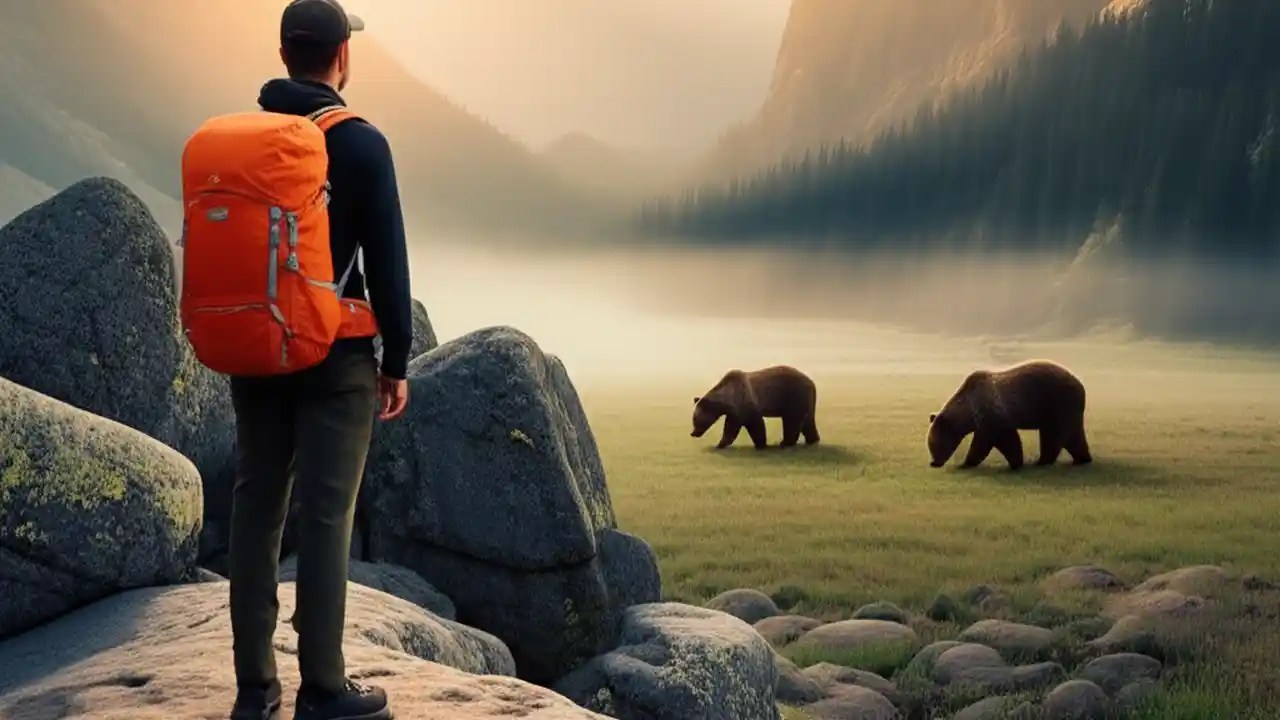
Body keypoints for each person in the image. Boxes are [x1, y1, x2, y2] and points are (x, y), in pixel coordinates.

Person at [228, 1, 412, 718]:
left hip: (257, 352)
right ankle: (325, 688)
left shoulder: (242, 139)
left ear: (283, 55)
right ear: (342, 58)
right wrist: (397, 361)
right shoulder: (361, 144)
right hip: (335, 359)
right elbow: (389, 265)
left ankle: (253, 688)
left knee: (256, 509)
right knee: (327, 518)